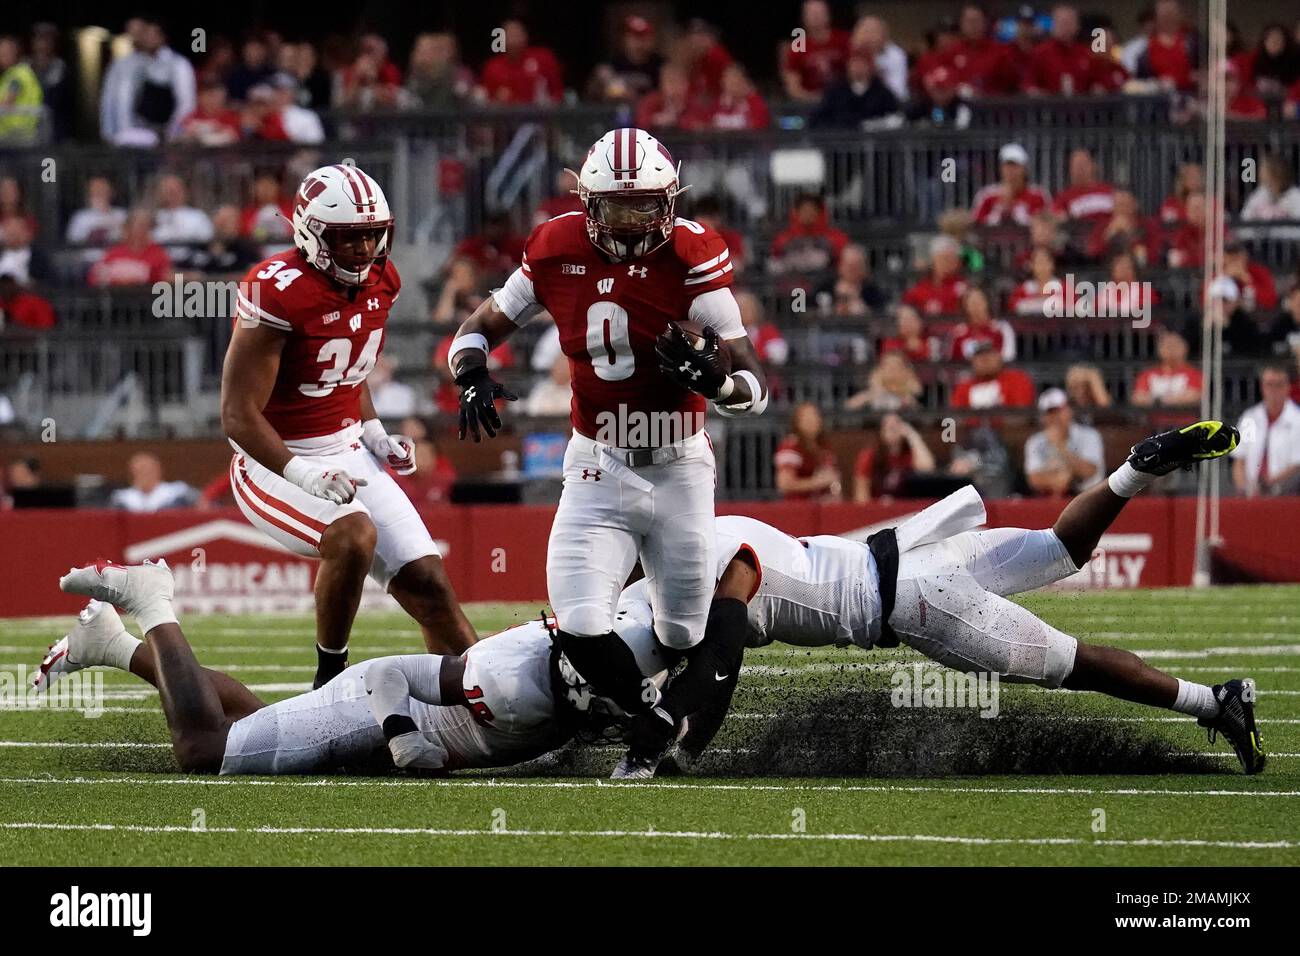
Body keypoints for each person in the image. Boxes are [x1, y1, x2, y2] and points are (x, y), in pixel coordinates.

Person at [660, 419, 1263, 777]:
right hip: (924, 550)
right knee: (1060, 546)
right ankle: (1133, 470)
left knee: (1074, 663)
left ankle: (1213, 702)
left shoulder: (719, 566)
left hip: (920, 603)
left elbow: (720, 661)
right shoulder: (720, 527)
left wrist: (682, 748)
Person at [446, 127, 769, 778]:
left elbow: (754, 389)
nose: (630, 223)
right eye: (616, 208)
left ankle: (663, 732)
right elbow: (475, 329)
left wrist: (715, 381)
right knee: (580, 622)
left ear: (670, 200)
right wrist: (471, 372)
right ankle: (651, 725)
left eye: (644, 206)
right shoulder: (554, 246)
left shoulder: (694, 252)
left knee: (682, 632)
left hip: (679, 464)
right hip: (599, 462)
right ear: (587, 204)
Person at [219, 164, 478, 689]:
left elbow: (344, 372)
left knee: (429, 585)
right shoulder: (277, 291)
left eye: (370, 234)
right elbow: (237, 416)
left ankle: (483, 703)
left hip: (348, 448)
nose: (363, 248)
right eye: (347, 237)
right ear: (311, 234)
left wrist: (375, 431)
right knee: (353, 535)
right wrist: (302, 474)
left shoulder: (385, 279)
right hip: (272, 459)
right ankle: (329, 679)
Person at [41, 561, 670, 776]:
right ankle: (151, 601)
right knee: (207, 747)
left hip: (391, 721)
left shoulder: (599, 648)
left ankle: (111, 645)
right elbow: (386, 675)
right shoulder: (512, 681)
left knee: (252, 721)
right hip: (369, 710)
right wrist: (403, 738)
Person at [99, 19, 196, 146]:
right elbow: (114, 101)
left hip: (167, 133)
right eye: (146, 35)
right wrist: (111, 131)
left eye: (153, 35)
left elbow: (186, 103)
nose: (149, 39)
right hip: (137, 132)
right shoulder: (129, 63)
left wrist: (173, 133)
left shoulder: (178, 64)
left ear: (163, 37)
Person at [1231, 364, 1300, 497]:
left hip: (1289, 494)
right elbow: (1239, 459)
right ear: (1262, 387)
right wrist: (1242, 488)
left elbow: (1297, 465)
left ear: (1288, 387)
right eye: (1269, 384)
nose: (1274, 390)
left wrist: (1269, 484)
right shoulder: (1250, 417)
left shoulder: (1297, 419)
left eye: (1279, 384)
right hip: (1251, 493)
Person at [1023, 388, 1105, 496]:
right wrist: (1059, 479)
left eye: (1059, 411)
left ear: (1069, 410)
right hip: (1050, 498)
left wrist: (1060, 446)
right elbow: (1033, 479)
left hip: (1088, 498)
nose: (1055, 417)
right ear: (1043, 417)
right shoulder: (1035, 441)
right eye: (1050, 413)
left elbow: (1090, 471)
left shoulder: (1089, 435)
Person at [853, 412, 936, 501]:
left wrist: (912, 435)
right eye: (888, 427)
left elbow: (928, 469)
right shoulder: (869, 456)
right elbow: (861, 496)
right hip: (877, 508)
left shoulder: (910, 453)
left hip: (905, 508)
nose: (893, 428)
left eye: (897, 425)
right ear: (881, 431)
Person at [780, 0, 850, 102]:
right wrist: (816, 99)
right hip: (811, 104)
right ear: (804, 18)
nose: (816, 17)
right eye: (811, 14)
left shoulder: (844, 40)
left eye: (819, 13)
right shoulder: (798, 46)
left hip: (844, 100)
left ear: (828, 15)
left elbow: (858, 73)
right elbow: (793, 88)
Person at [971, 143, 1049, 227]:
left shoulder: (1038, 195)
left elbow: (1047, 222)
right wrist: (1000, 209)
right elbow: (976, 222)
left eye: (1015, 166)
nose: (1011, 171)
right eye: (1007, 166)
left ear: (1025, 169)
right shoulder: (987, 195)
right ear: (1001, 169)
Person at [775, 401, 841, 500]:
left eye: (815, 416)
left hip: (824, 505)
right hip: (799, 508)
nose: (813, 421)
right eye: (808, 418)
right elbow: (784, 484)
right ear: (797, 422)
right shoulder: (791, 447)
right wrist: (817, 482)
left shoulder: (824, 446)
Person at [951, 341, 1034, 409]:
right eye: (979, 355)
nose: (984, 359)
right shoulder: (964, 386)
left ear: (1000, 357)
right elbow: (956, 419)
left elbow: (1020, 414)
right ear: (972, 362)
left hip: (1008, 428)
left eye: (989, 354)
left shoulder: (1017, 379)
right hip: (971, 429)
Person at [1133, 330, 1202, 408]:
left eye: (1175, 345)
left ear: (1185, 348)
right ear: (1160, 349)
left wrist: (1155, 400)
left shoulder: (1194, 373)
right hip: (1154, 419)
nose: (1171, 350)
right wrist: (1171, 399)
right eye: (1167, 346)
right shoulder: (1147, 374)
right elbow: (1138, 398)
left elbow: (1193, 397)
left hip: (1186, 419)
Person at [109, 453, 198, 511]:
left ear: (158, 470)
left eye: (147, 470)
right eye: (138, 471)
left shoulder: (178, 492)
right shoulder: (121, 499)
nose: (143, 475)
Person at [845, 352, 922, 411]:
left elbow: (917, 393)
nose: (891, 370)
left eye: (897, 366)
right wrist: (870, 395)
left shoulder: (910, 389)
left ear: (905, 369)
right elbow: (849, 406)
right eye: (887, 365)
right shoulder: (874, 388)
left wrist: (907, 399)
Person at [1240, 156, 1300, 222]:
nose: (1261, 176)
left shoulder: (1295, 196)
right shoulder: (1260, 193)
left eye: (1266, 173)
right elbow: (1245, 218)